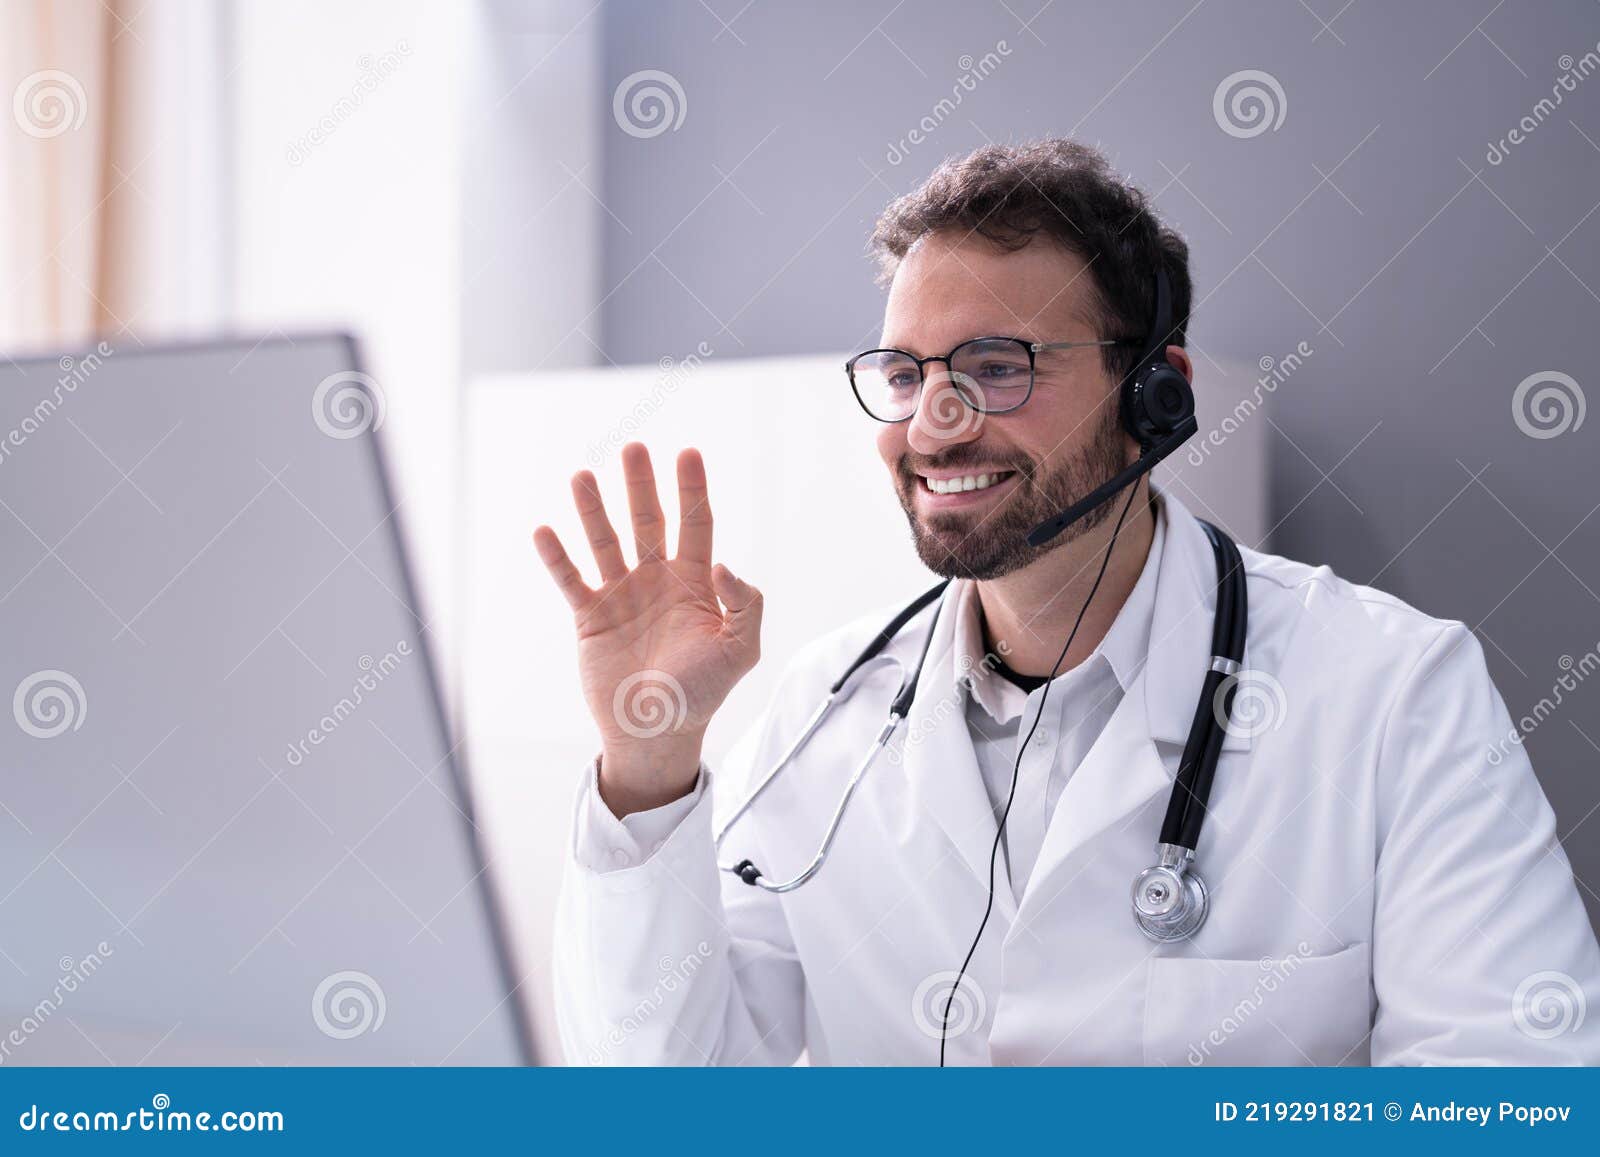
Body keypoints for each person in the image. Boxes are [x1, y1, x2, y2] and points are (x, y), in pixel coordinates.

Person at [532, 139, 1600, 1065]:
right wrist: (648, 763)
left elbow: (1506, 1093)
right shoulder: (823, 710)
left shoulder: (1389, 693)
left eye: (998, 366)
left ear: (1155, 393)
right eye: (905, 373)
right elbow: (665, 1089)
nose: (935, 423)